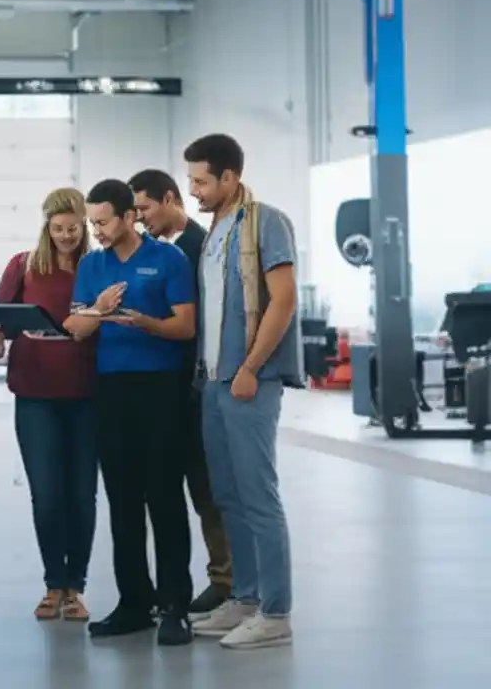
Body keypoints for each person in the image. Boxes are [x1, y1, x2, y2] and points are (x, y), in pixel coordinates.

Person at [63, 179, 197, 646]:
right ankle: (133, 602)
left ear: (127, 217)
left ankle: (175, 603)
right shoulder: (92, 266)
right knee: (122, 502)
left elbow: (185, 326)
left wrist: (146, 324)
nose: (96, 230)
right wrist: (100, 311)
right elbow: (75, 328)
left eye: (102, 222)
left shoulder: (168, 260)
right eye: (92, 223)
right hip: (112, 390)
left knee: (163, 496)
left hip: (160, 389)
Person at [182, 133, 299, 650]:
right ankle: (246, 598)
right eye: (190, 181)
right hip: (212, 382)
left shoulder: (266, 222)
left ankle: (275, 611)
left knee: (258, 495)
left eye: (202, 181)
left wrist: (251, 365)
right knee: (227, 495)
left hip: (248, 379)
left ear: (229, 177)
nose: (194, 191)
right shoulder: (215, 230)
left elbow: (283, 300)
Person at [0, 188, 99, 622]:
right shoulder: (24, 265)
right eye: (58, 229)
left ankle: (77, 586)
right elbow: (0, 320)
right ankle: (54, 583)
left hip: (88, 394)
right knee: (48, 494)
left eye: (73, 228)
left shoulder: (97, 265)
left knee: (82, 496)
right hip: (35, 396)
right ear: (46, 227)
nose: (66, 236)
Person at [129, 168, 233, 615]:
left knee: (209, 489)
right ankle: (189, 584)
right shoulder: (151, 251)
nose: (139, 219)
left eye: (145, 209)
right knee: (174, 491)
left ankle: (228, 580)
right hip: (164, 391)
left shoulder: (201, 248)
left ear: (171, 199)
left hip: (199, 387)